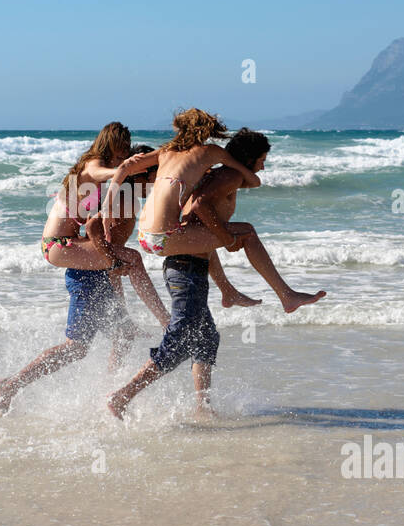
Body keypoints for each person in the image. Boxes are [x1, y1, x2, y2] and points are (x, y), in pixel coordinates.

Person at [106, 128, 326, 420]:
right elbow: (200, 206)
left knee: (207, 339)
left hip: (188, 266)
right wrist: (226, 237)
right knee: (182, 335)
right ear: (249, 158)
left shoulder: (215, 175)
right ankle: (123, 396)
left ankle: (203, 408)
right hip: (184, 268)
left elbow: (201, 232)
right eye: (262, 159)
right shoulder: (228, 176)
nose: (264, 165)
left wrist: (225, 286)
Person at [0, 149, 162, 415]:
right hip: (85, 277)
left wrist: (119, 291)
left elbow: (110, 261)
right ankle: (11, 385)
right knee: (76, 348)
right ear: (140, 174)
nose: (155, 182)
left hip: (96, 272)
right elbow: (96, 232)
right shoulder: (121, 199)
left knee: (124, 334)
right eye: (153, 175)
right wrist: (115, 264)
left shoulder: (127, 200)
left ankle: (108, 392)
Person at [103, 112, 323, 314]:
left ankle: (228, 291)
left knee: (205, 231)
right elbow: (253, 180)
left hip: (144, 237)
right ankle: (287, 295)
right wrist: (228, 239)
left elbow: (124, 168)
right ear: (205, 131)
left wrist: (106, 208)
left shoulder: (166, 153)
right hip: (165, 237)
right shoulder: (210, 152)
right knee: (247, 231)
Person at [41, 125, 169, 325]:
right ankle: (165, 320)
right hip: (56, 244)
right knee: (133, 258)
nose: (124, 155)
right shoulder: (93, 164)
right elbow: (93, 224)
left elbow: (106, 245)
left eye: (127, 150)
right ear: (109, 145)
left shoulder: (113, 190)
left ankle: (145, 322)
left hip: (69, 243)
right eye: (121, 150)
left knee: (121, 334)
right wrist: (126, 168)